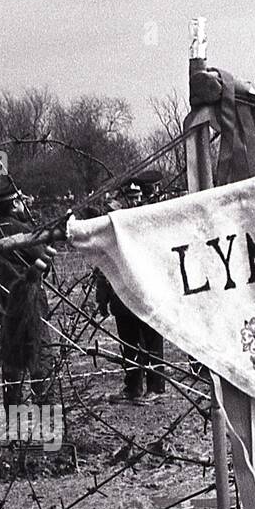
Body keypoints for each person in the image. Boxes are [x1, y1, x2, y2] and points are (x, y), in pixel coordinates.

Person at [95, 171, 166, 403]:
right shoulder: (112, 224)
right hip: (120, 292)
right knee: (129, 342)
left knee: (151, 338)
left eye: (137, 196)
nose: (135, 201)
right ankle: (133, 387)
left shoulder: (148, 221)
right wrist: (102, 295)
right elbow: (103, 261)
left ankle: (155, 387)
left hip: (145, 289)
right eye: (130, 197)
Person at [0, 175, 53, 410]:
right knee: (40, 354)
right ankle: (46, 419)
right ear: (15, 203)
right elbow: (45, 261)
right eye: (21, 200)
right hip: (30, 300)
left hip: (4, 303)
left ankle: (12, 424)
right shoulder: (23, 231)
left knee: (11, 358)